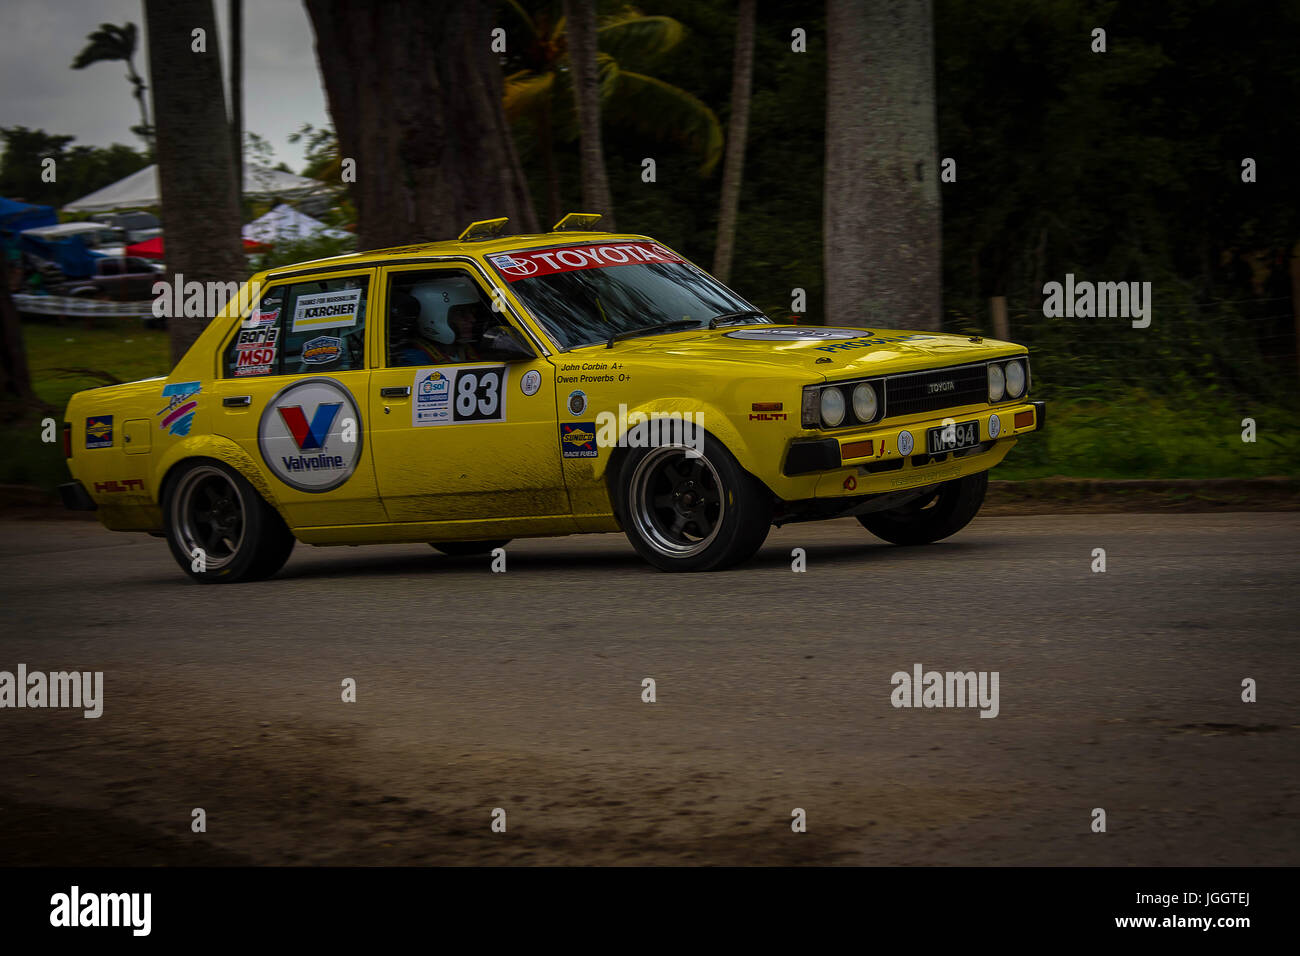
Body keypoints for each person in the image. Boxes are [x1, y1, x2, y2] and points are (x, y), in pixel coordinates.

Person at [390, 276, 490, 365]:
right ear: (433, 317)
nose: (472, 319)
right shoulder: (415, 360)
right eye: (461, 313)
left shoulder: (465, 350)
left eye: (472, 311)